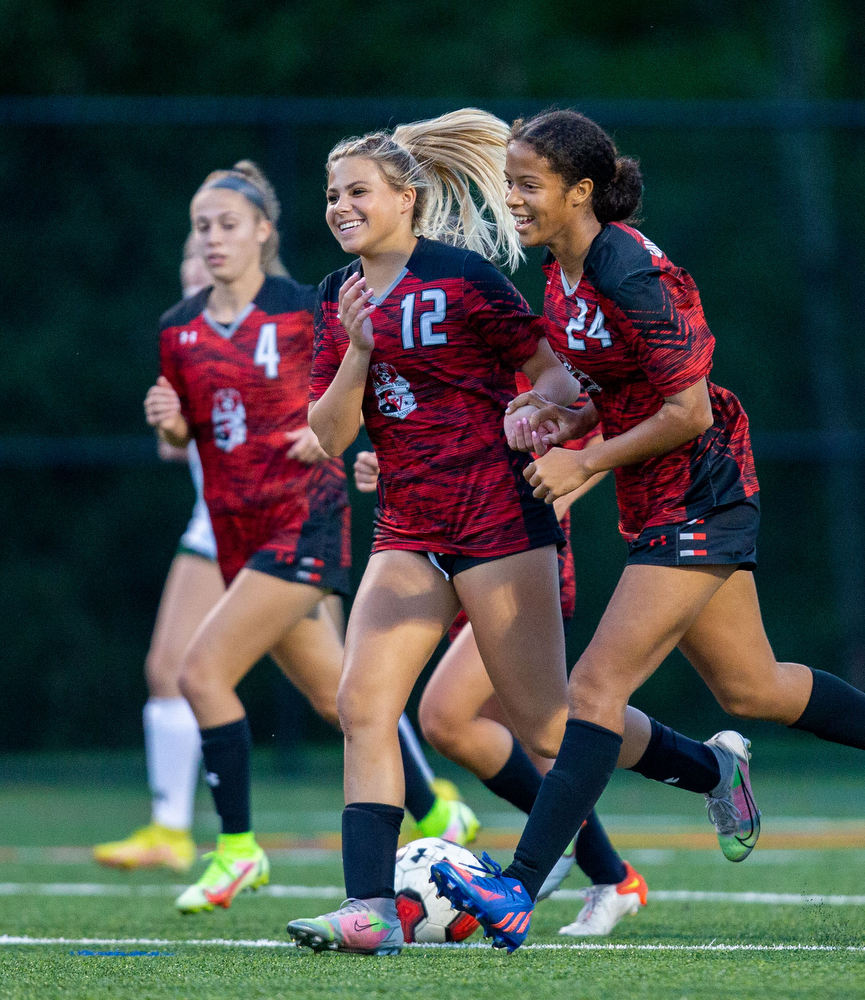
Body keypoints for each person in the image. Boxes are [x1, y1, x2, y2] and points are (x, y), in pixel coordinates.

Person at [431, 109, 865, 951]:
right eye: (510, 181)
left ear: (581, 192)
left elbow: (686, 411)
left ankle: (516, 888)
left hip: (701, 485)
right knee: (751, 688)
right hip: (658, 491)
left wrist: (586, 461)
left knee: (596, 692)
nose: (513, 197)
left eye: (527, 183)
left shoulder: (624, 266)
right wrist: (548, 410)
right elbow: (596, 385)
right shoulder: (561, 272)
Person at [285, 108, 585, 957]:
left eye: (358, 192)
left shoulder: (465, 280)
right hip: (410, 529)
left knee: (552, 728)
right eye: (332, 195)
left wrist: (540, 416)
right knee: (361, 704)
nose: (341, 206)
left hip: (497, 520)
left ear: (406, 199)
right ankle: (368, 911)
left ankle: (711, 768)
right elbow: (334, 437)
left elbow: (554, 374)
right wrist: (356, 351)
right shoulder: (335, 298)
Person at [147, 160, 474, 915]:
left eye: (228, 224)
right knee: (342, 699)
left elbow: (360, 379)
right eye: (203, 227)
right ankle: (437, 814)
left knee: (199, 674)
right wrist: (167, 418)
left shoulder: (305, 307)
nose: (213, 239)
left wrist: (321, 427)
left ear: (264, 231)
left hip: (305, 518)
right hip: (237, 531)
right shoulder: (179, 329)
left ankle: (237, 852)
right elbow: (191, 433)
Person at [354, 400, 650, 937]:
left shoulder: (519, 339)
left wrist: (549, 499)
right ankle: (611, 874)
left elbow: (598, 421)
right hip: (451, 550)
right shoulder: (443, 346)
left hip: (516, 557)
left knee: (449, 716)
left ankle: (703, 767)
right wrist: (390, 465)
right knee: (539, 742)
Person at [94, 244, 223, 873]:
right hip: (214, 529)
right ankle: (170, 831)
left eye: (220, 235)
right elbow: (180, 448)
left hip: (276, 527)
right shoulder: (185, 332)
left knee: (337, 691)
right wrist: (174, 424)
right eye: (191, 246)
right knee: (167, 668)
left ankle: (432, 809)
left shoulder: (273, 320)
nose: (200, 259)